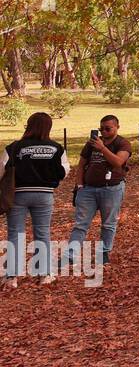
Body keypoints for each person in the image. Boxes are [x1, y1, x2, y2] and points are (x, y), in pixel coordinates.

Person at [2, 112, 70, 286]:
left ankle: (12, 277)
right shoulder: (56, 148)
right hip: (44, 194)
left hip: (18, 194)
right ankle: (44, 273)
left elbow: (2, 169)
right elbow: (64, 171)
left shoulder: (14, 147)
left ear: (28, 125)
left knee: (15, 234)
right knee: (42, 233)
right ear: (48, 127)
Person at [68, 114, 132, 267]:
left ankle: (102, 253)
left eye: (108, 128)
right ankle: (70, 255)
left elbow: (118, 162)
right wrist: (79, 185)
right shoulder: (92, 143)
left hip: (112, 189)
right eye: (101, 129)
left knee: (108, 223)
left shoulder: (123, 143)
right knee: (80, 223)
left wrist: (102, 148)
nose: (103, 132)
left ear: (117, 127)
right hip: (88, 189)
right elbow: (82, 163)